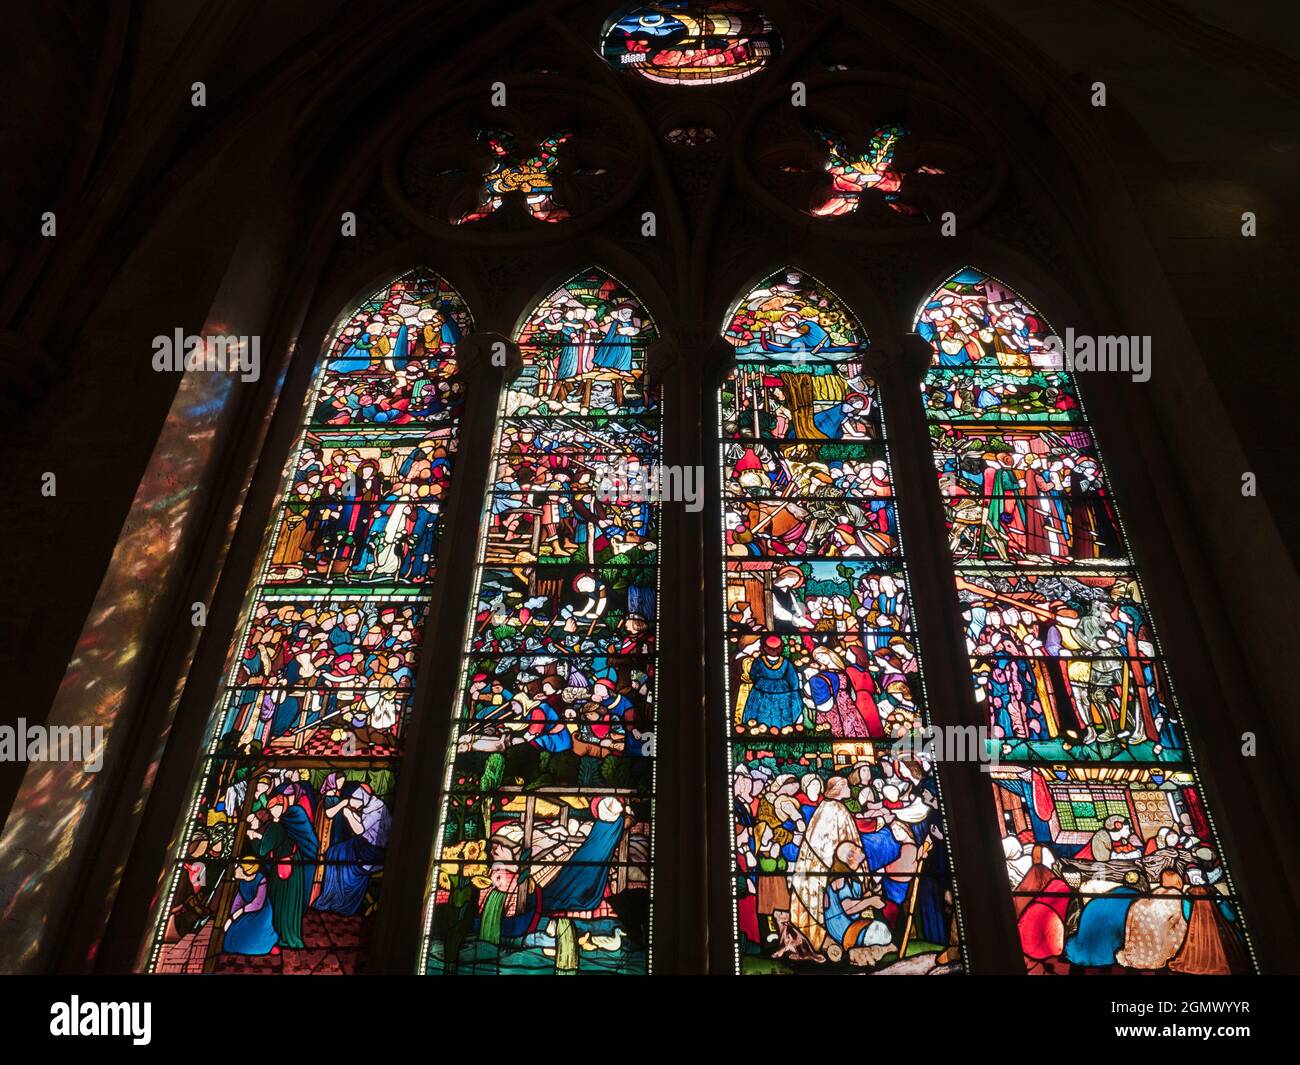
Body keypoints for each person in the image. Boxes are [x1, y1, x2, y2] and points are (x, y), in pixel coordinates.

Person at [1116, 869, 1188, 970]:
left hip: (1144, 923)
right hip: (1159, 928)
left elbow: (1149, 903)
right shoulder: (1177, 895)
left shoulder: (1159, 891)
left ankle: (1140, 956)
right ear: (1178, 882)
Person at [223, 860, 278, 956]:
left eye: (238, 867)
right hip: (246, 911)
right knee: (233, 933)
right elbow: (238, 901)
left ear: (246, 871)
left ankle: (267, 945)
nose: (235, 869)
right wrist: (231, 919)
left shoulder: (261, 880)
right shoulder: (242, 882)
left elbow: (257, 904)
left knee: (256, 935)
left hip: (261, 913)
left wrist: (236, 915)